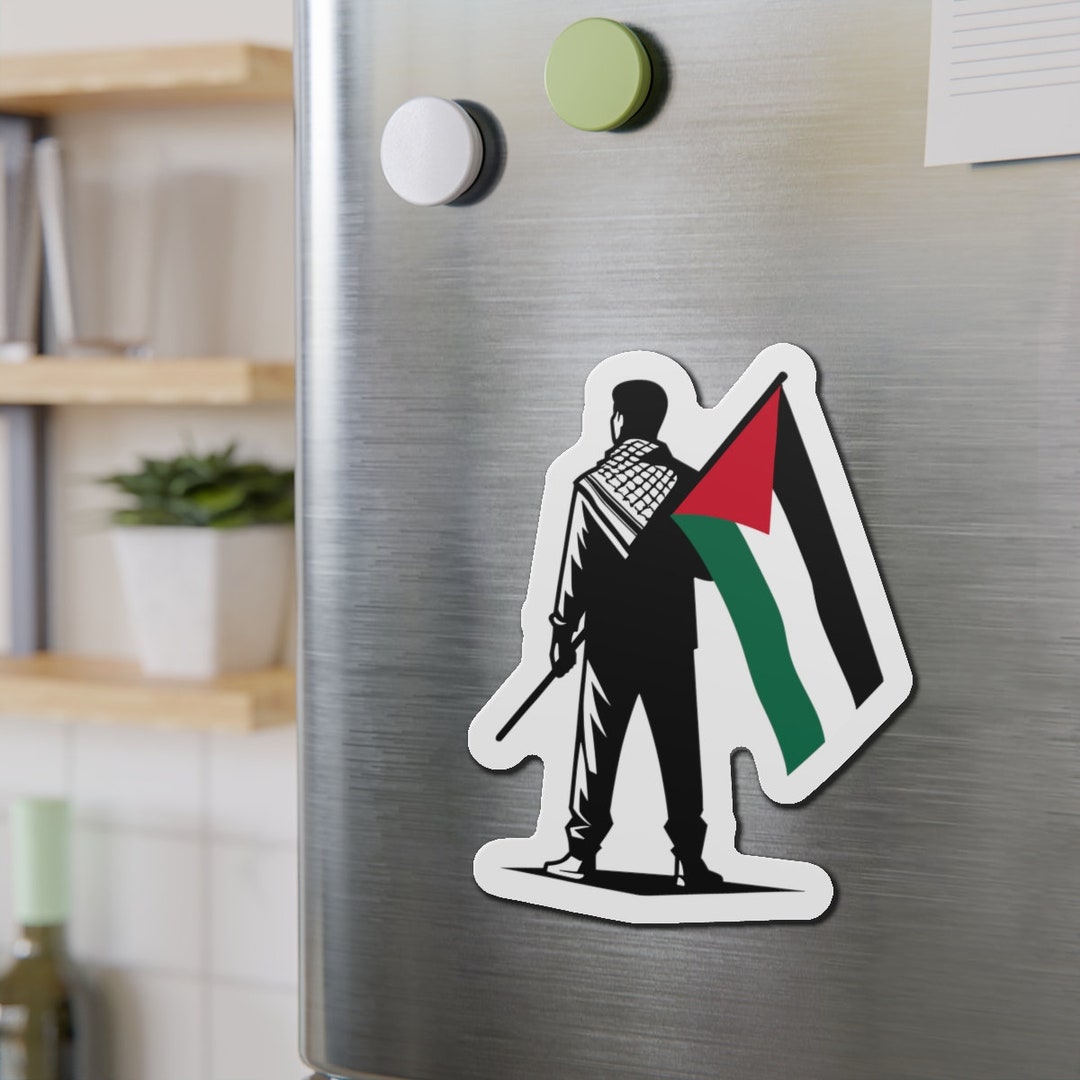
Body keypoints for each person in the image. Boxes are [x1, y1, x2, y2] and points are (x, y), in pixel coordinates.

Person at [543, 380, 725, 891]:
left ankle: (580, 854)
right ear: (659, 421)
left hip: (609, 641)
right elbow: (712, 568)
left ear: (618, 418)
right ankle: (690, 861)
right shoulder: (689, 485)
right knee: (680, 750)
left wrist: (561, 629)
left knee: (596, 750)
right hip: (669, 638)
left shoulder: (591, 487)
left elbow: (573, 569)